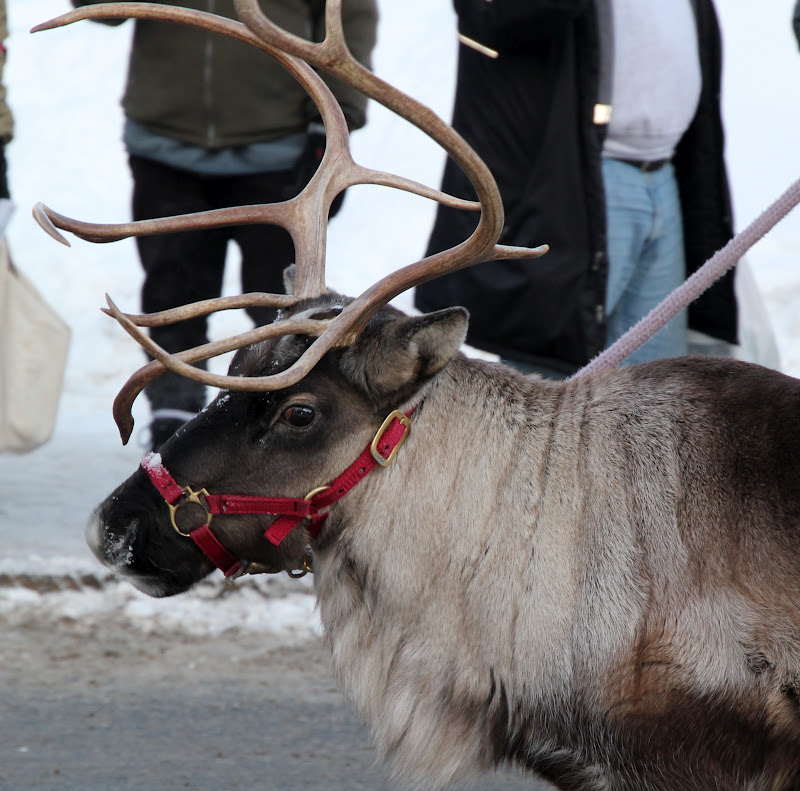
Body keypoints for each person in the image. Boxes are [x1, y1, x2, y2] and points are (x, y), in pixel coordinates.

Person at [73, 0, 378, 449]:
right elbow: (99, 9)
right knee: (173, 292)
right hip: (165, 147)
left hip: (281, 146)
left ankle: (283, 419)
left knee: (284, 301)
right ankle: (173, 411)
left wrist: (335, 125)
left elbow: (349, 12)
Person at [415, 0, 737, 377]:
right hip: (569, 180)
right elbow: (490, 17)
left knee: (655, 388)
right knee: (556, 383)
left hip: (668, 174)